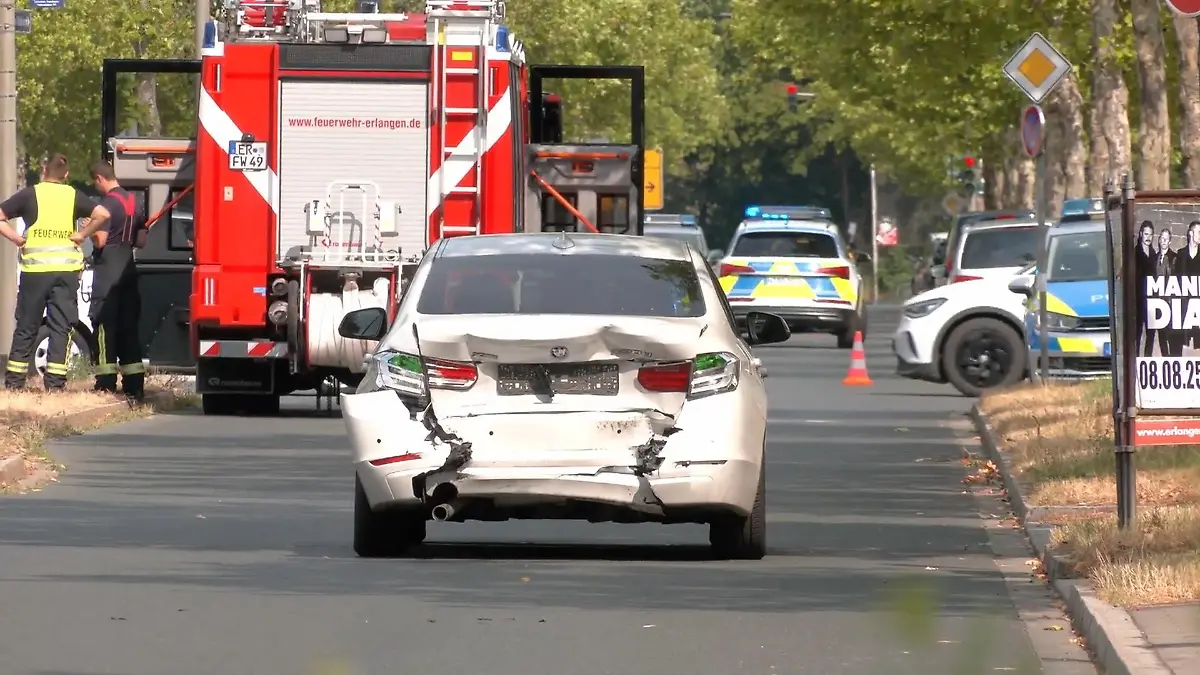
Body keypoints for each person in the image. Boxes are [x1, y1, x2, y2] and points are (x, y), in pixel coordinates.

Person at [0, 153, 111, 390]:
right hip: (66, 273)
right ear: (66, 175)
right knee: (60, 327)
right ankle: (55, 384)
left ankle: (15, 383)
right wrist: (82, 234)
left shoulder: (30, 194)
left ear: (43, 171)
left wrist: (18, 239)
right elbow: (103, 214)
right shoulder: (73, 195)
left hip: (35, 272)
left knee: (27, 326)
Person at [80, 160, 147, 400]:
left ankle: (106, 382)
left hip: (108, 267)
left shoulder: (106, 204)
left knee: (103, 324)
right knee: (128, 326)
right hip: (128, 265)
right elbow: (141, 240)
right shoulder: (134, 201)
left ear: (99, 179)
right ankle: (134, 384)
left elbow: (99, 240)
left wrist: (88, 226)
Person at [1152, 228, 1180, 357]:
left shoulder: (1174, 257)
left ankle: (1173, 359)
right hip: (1157, 302)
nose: (1163, 241)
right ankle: (1165, 359)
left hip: (1170, 302)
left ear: (1169, 242)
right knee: (1161, 335)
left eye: (1166, 238)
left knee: (1171, 335)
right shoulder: (1155, 257)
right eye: (1161, 238)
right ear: (1159, 240)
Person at [1175, 220, 1200, 352]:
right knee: (1181, 341)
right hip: (1184, 303)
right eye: (1199, 232)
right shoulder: (1181, 254)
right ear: (1191, 233)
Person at [1134, 220, 1156, 356]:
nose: (1148, 237)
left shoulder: (1154, 254)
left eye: (1151, 235)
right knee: (1137, 332)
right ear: (1141, 234)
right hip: (1138, 298)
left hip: (1152, 298)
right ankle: (1135, 359)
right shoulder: (1135, 253)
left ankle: (1147, 360)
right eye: (1146, 234)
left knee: (1151, 332)